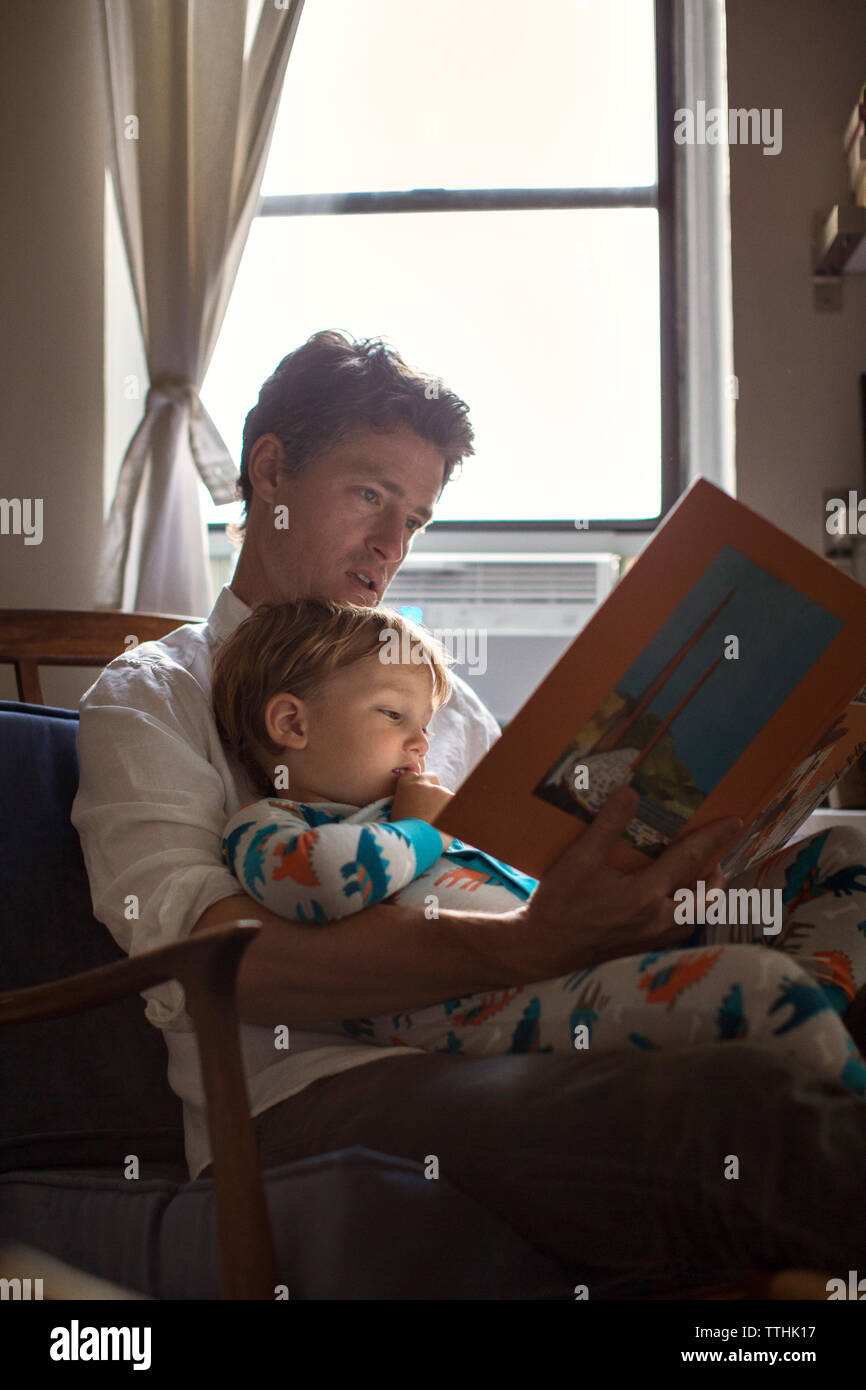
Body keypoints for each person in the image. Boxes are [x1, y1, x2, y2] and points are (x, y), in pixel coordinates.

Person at [72, 330, 866, 1296]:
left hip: (539, 1010)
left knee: (851, 853)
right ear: (270, 469)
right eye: (370, 496)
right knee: (752, 1105)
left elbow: (535, 892)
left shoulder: (441, 706)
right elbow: (209, 966)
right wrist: (526, 945)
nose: (392, 546)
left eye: (417, 518)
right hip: (308, 1093)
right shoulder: (154, 695)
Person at [210, 592, 866, 1096]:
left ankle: (814, 1020)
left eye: (426, 724)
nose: (419, 744)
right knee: (753, 983)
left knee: (842, 856)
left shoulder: (429, 814)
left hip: (606, 948)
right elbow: (320, 883)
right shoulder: (272, 822)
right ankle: (830, 1094)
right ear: (292, 722)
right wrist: (423, 827)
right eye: (393, 715)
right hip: (492, 1004)